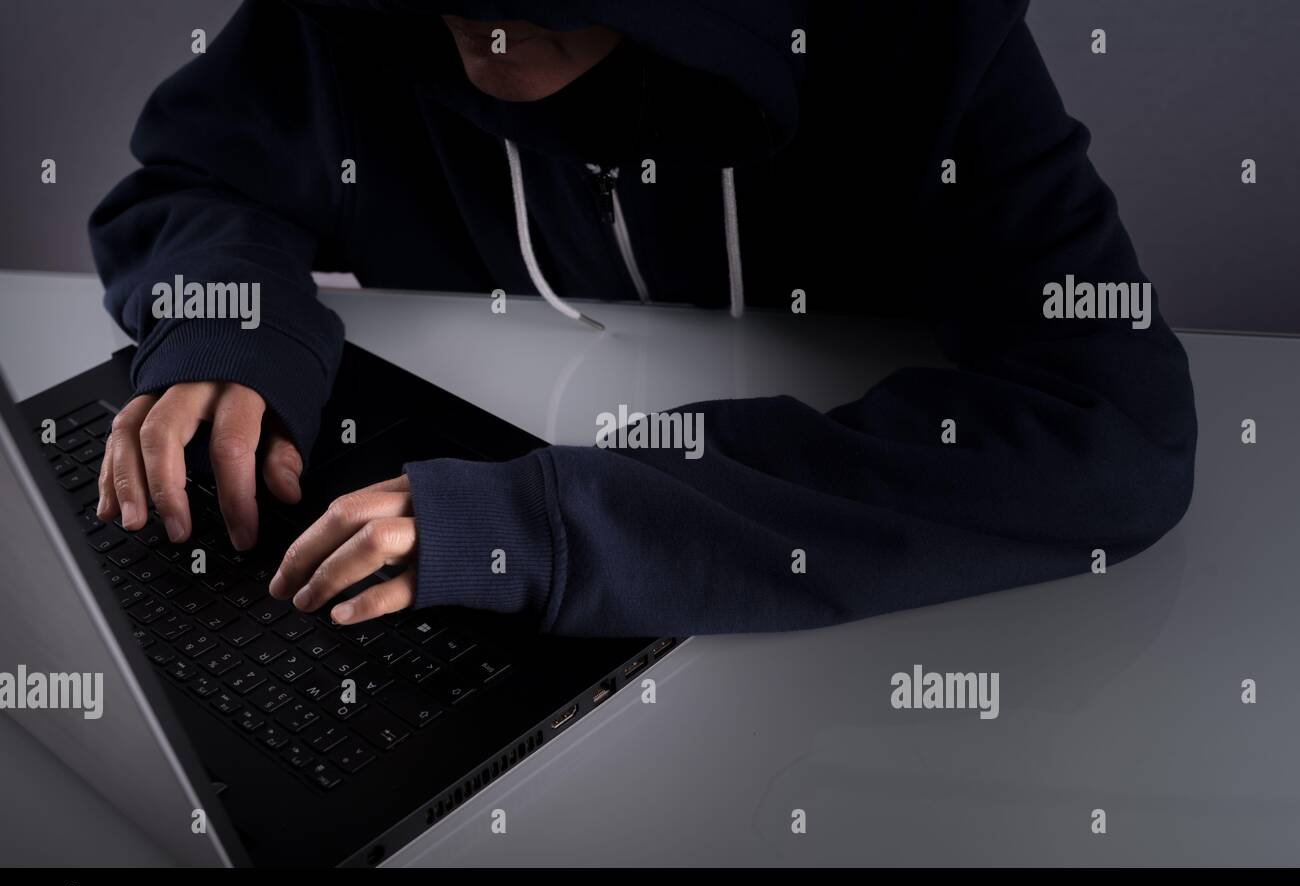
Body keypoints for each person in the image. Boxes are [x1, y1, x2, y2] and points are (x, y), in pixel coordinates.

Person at [88, 0, 1197, 638]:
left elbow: (1112, 432)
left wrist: (559, 524)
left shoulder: (922, 32)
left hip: (853, 656)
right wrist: (224, 329)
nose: (485, 40)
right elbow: (196, 182)